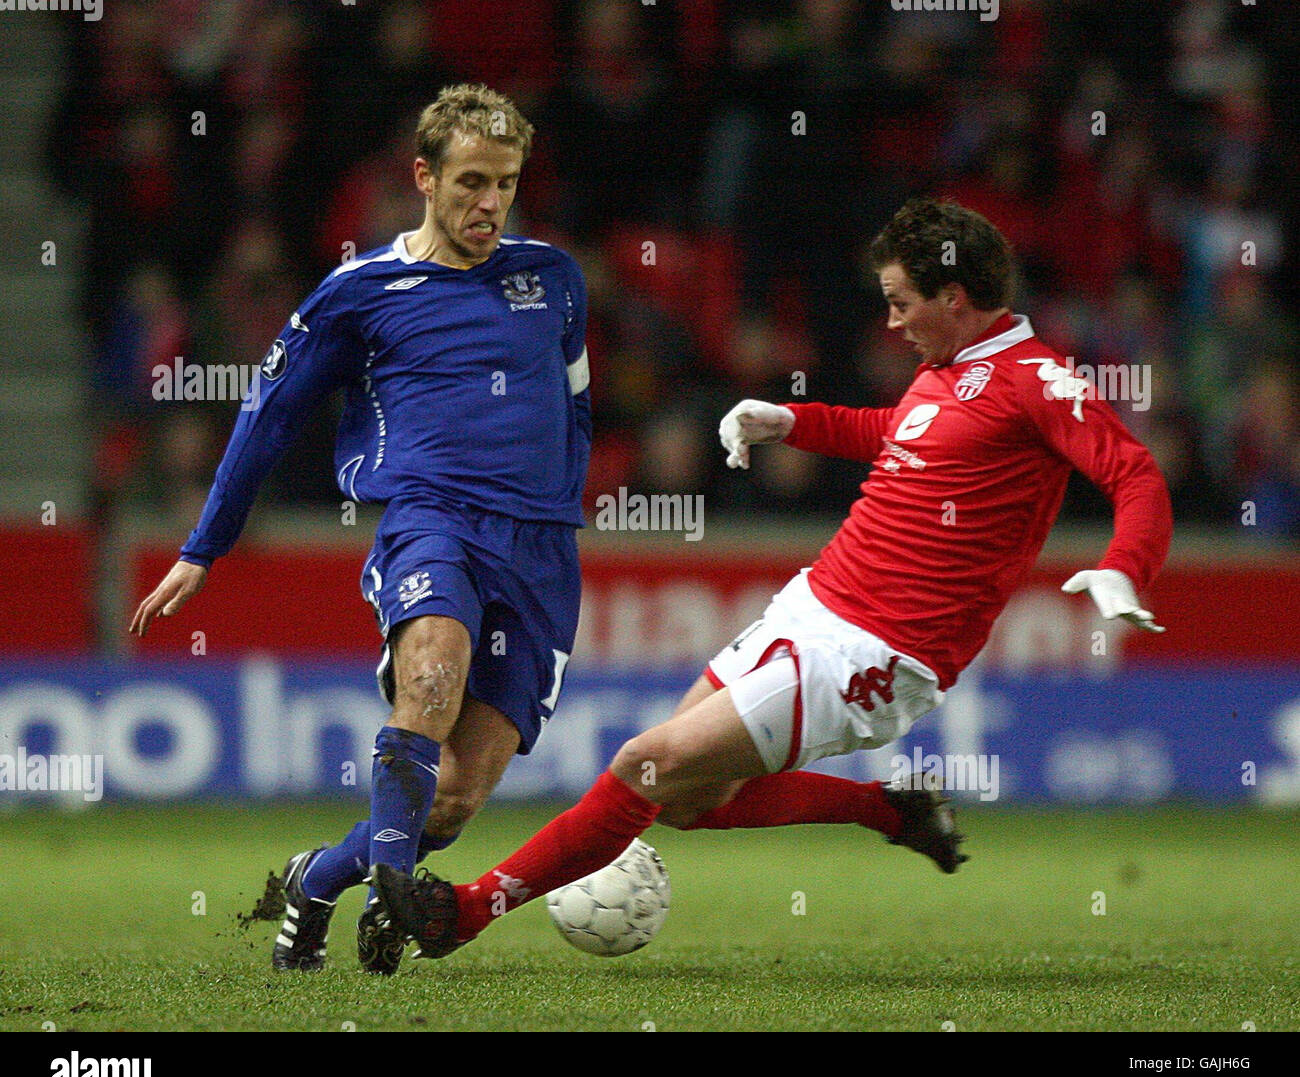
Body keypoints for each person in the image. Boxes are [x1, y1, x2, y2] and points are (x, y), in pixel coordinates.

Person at [369, 198, 1174, 959]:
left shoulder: (1036, 379)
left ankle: (464, 910)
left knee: (644, 765)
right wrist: (792, 421)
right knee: (687, 799)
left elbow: (1134, 472)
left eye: (900, 302)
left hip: (879, 651)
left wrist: (1122, 568)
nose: (891, 321)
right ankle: (887, 809)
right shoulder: (949, 366)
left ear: (955, 295)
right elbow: (896, 435)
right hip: (816, 601)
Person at [129, 84, 592, 974]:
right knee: (430, 676)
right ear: (423, 176)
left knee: (450, 805)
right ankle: (390, 893)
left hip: (539, 548)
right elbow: (267, 416)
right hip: (430, 521)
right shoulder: (361, 293)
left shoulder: (555, 281)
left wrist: (556, 513)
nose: (489, 204)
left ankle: (318, 879)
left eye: (505, 183)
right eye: (469, 183)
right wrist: (204, 545)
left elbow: (574, 411)